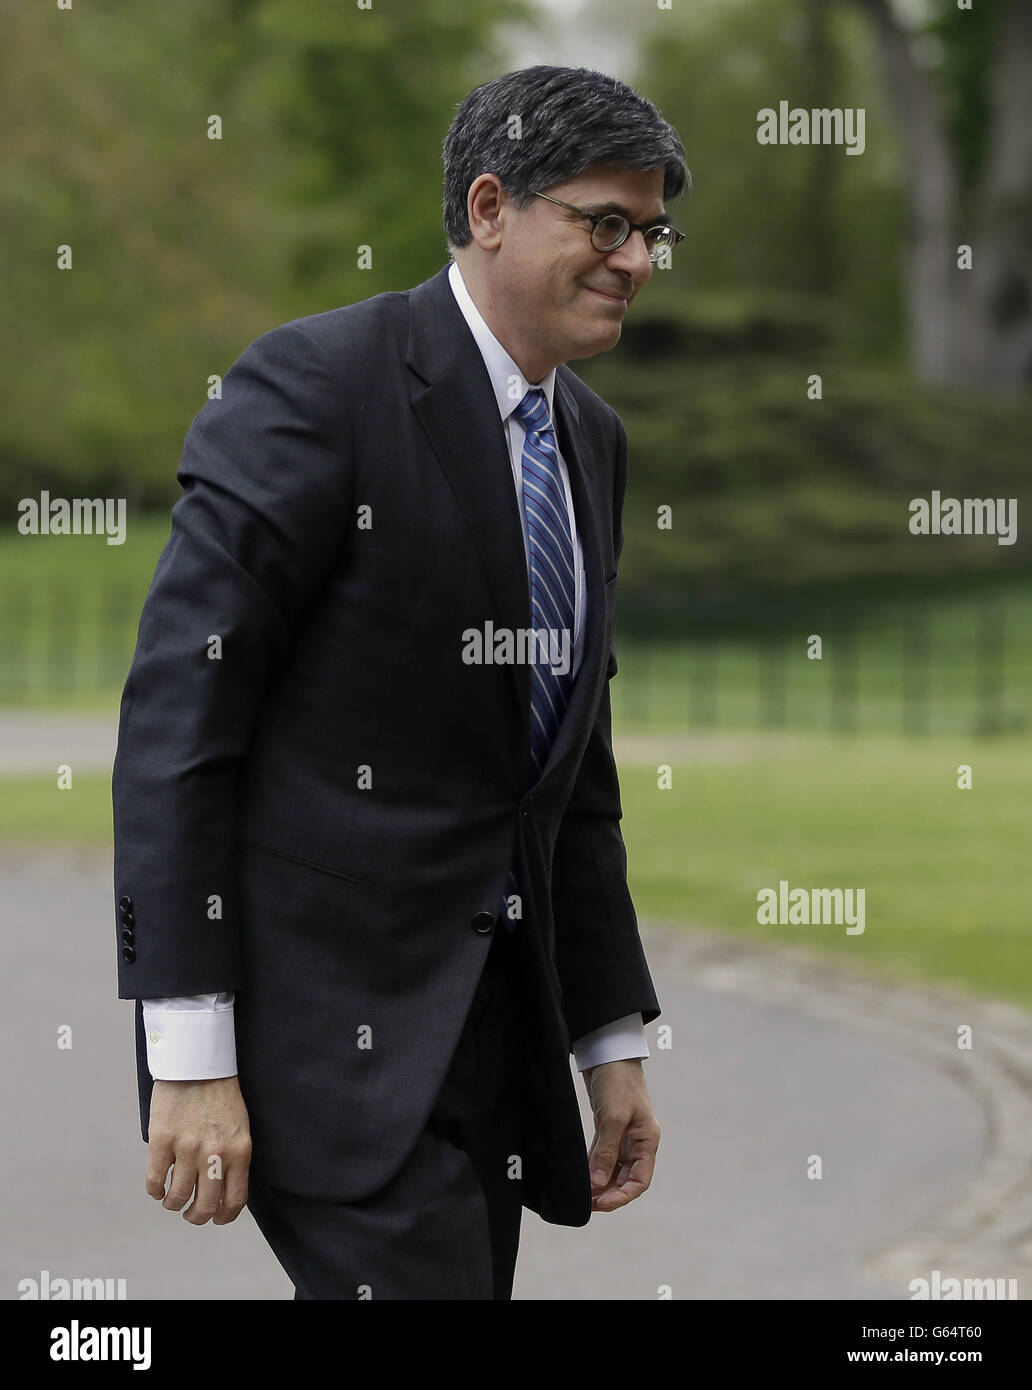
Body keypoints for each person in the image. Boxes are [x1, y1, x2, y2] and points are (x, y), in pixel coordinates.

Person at [112, 63, 689, 1300]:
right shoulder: (317, 386)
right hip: (322, 1049)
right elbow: (181, 721)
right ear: (491, 208)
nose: (637, 257)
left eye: (651, 232)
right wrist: (192, 1051)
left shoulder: (592, 439)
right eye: (607, 222)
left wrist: (611, 1037)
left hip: (498, 1051)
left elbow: (568, 773)